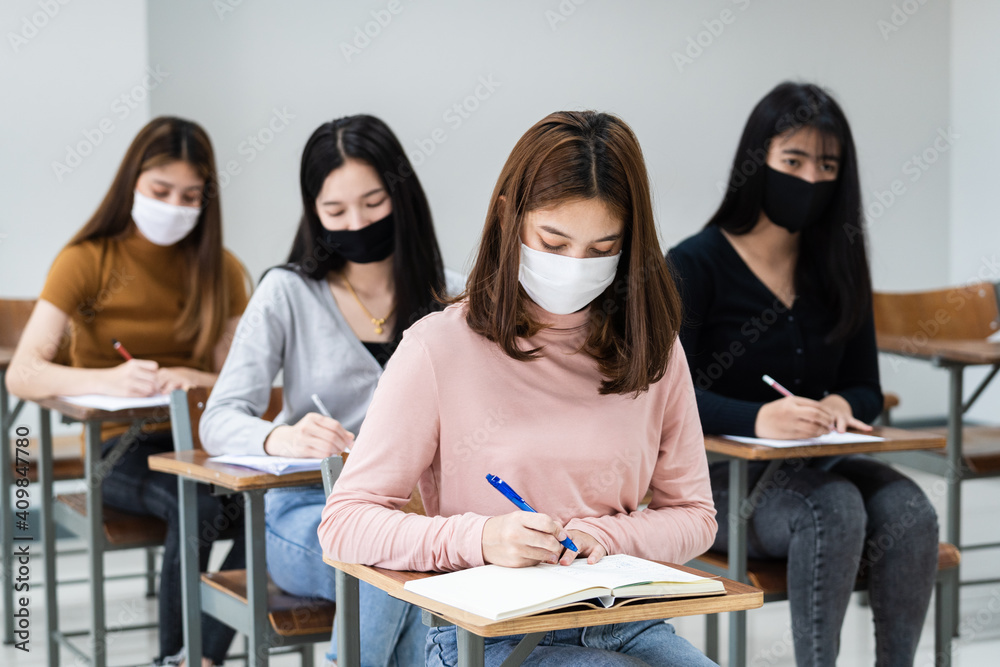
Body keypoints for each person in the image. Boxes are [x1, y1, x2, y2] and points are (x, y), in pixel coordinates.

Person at [319, 110, 719, 667]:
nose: (577, 266)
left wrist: (609, 538)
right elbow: (344, 525)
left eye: (603, 250)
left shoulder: (653, 349)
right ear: (509, 219)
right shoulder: (437, 348)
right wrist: (481, 540)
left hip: (625, 622)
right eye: (553, 242)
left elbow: (695, 516)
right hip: (490, 639)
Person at [667, 82, 939, 667]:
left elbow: (866, 384)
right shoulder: (694, 263)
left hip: (817, 461)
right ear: (755, 161)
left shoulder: (837, 268)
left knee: (911, 509)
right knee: (834, 507)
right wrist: (759, 418)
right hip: (722, 482)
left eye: (827, 165)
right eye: (793, 160)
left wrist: (844, 404)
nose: (811, 178)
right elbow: (670, 399)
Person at [199, 114, 462, 667]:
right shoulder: (287, 292)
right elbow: (218, 417)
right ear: (313, 212)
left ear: (402, 196)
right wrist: (280, 438)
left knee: (412, 555)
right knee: (389, 563)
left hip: (424, 511)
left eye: (372, 203)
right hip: (307, 512)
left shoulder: (451, 299)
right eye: (335, 210)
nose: (356, 222)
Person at [6, 117, 249, 667]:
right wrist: (107, 381)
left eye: (190, 196)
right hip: (119, 447)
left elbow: (241, 382)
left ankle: (197, 658)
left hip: (202, 440)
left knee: (268, 507)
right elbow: (22, 373)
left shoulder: (223, 271)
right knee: (197, 502)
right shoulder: (85, 261)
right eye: (160, 191)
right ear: (131, 183)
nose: (173, 206)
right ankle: (180, 658)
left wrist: (197, 379)